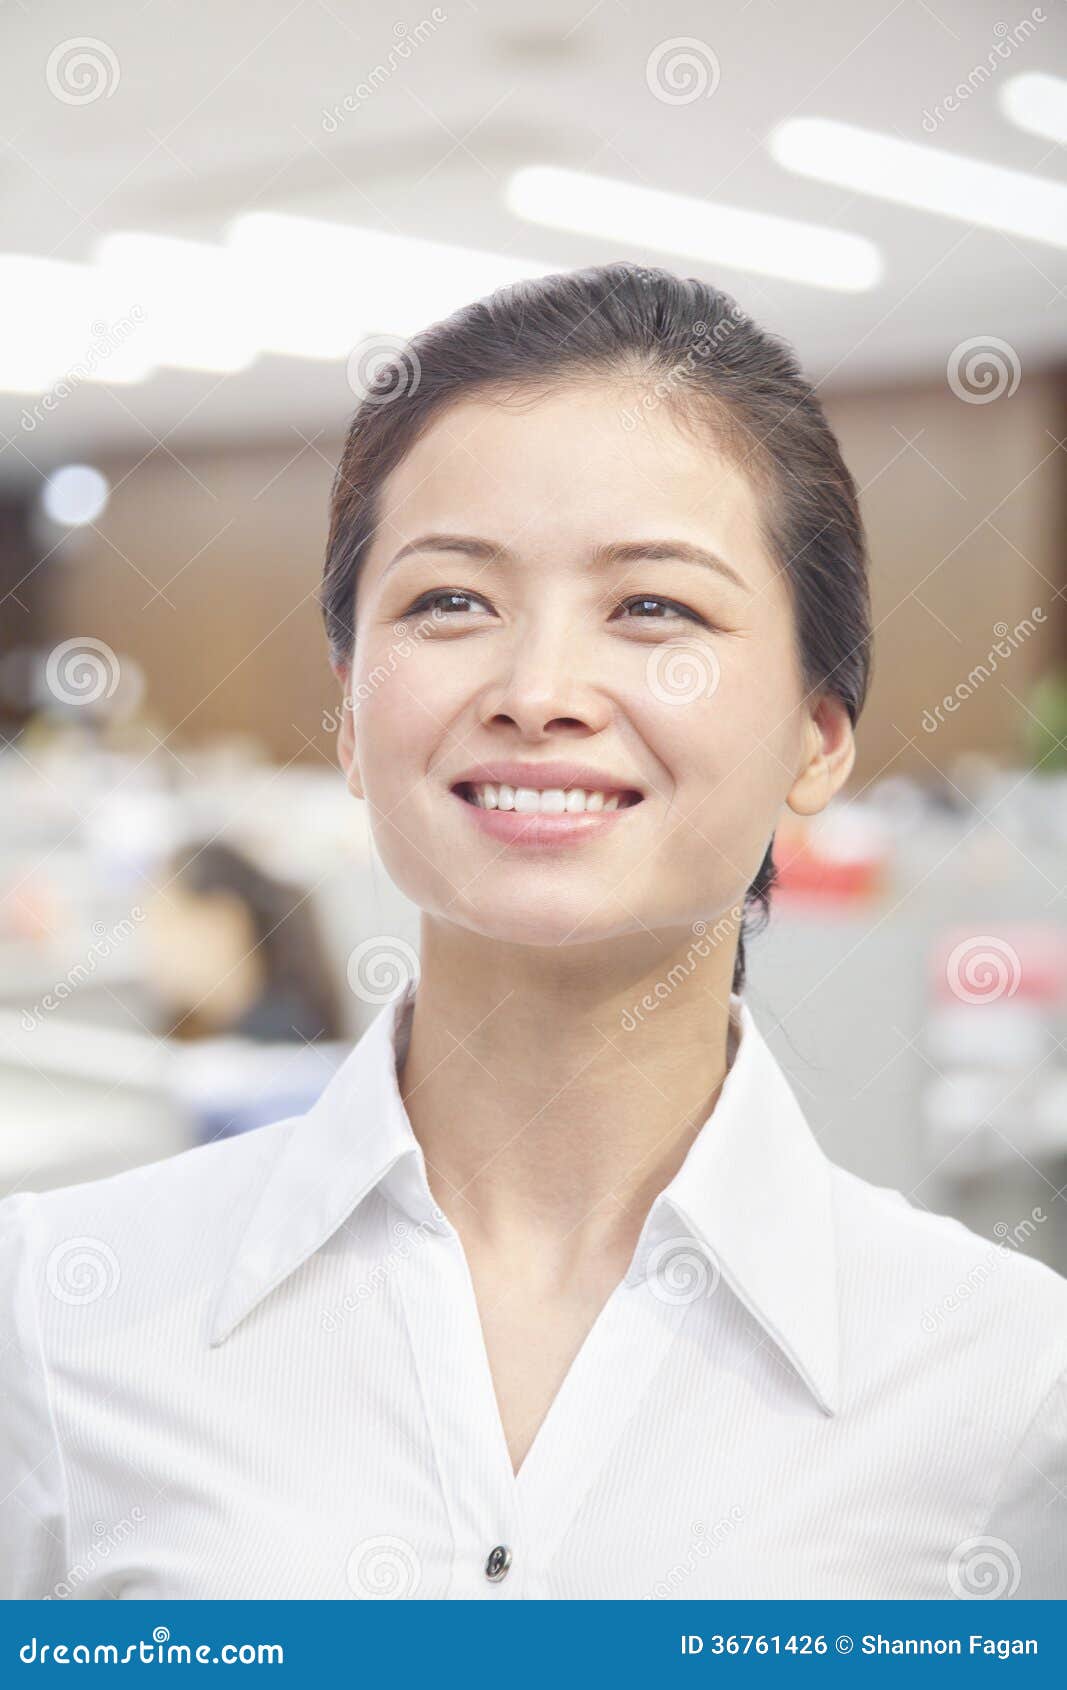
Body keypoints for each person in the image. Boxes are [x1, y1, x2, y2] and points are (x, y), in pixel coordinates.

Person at [1, 263, 1064, 1601]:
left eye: (653, 607)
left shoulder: (1010, 1389)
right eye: (451, 600)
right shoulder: (57, 1314)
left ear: (817, 734)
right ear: (347, 713)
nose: (538, 690)